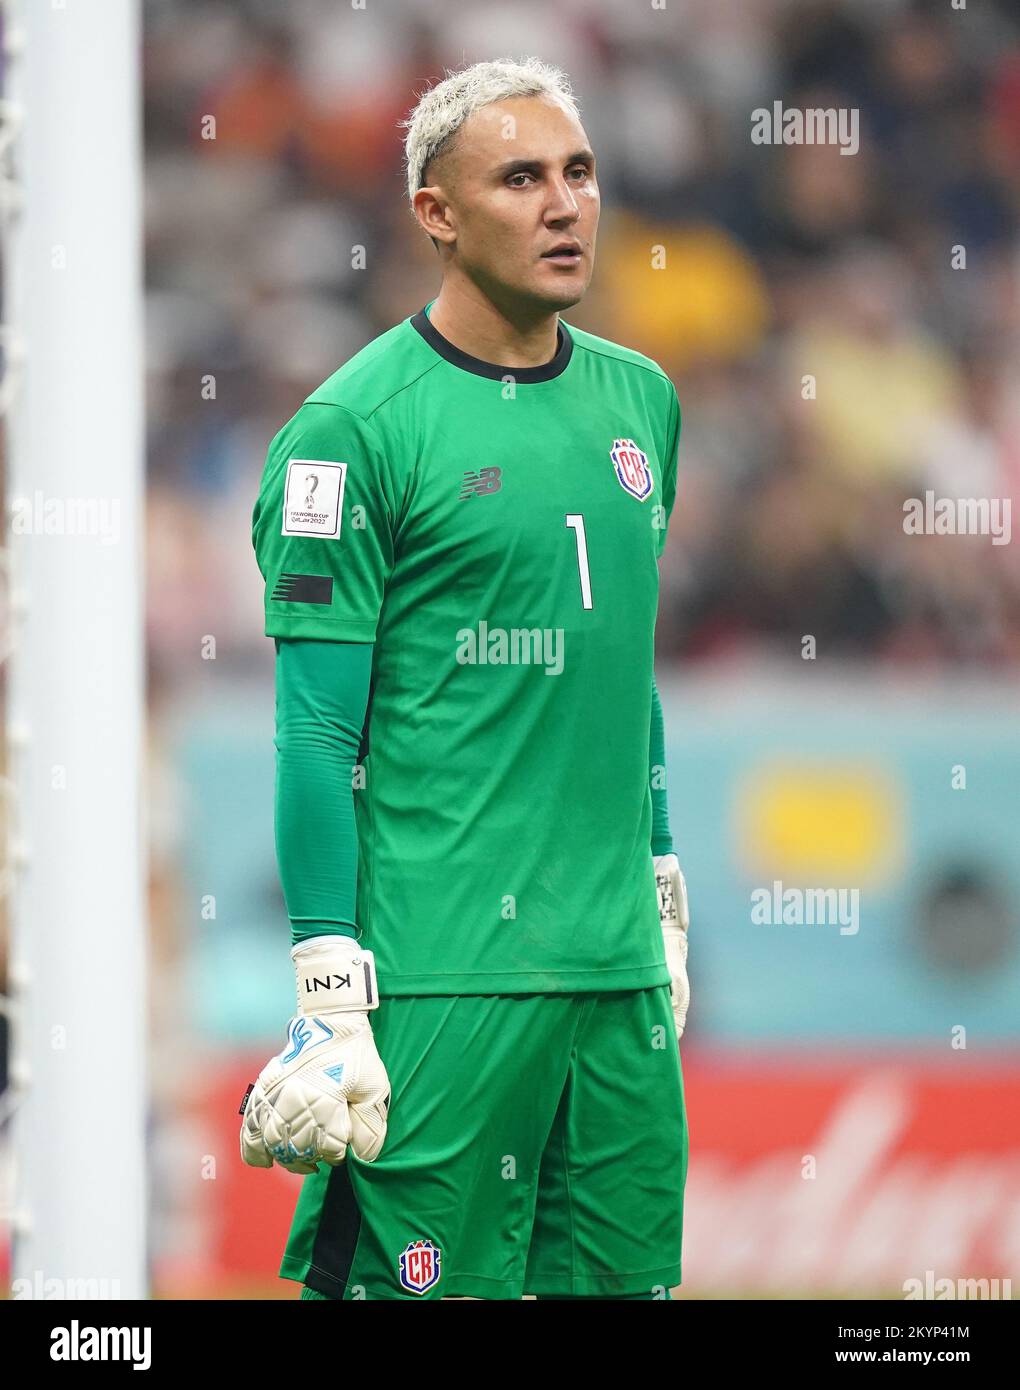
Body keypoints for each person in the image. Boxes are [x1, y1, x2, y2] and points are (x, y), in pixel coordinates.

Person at [241, 55, 691, 1301]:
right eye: (522, 178)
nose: (566, 205)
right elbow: (314, 734)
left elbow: (622, 659)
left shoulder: (642, 401)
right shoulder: (353, 430)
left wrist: (660, 876)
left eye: (581, 173)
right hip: (440, 978)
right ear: (436, 212)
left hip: (615, 978)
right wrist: (330, 989)